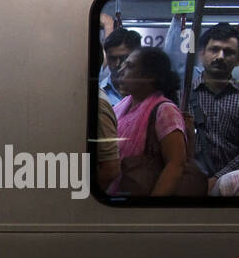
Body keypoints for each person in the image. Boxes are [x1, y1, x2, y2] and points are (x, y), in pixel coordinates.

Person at [110, 47, 187, 197]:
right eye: (124, 65)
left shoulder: (165, 111)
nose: (121, 71)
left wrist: (151, 209)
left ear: (150, 76)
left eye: (130, 66)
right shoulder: (124, 105)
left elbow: (176, 164)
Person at [186, 22, 239, 195]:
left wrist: (218, 178)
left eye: (229, 52)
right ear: (202, 53)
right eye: (214, 49)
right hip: (188, 183)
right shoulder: (182, 96)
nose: (220, 56)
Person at [101, 27, 141, 105]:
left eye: (124, 58)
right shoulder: (99, 93)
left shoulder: (148, 93)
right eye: (112, 58)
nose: (117, 64)